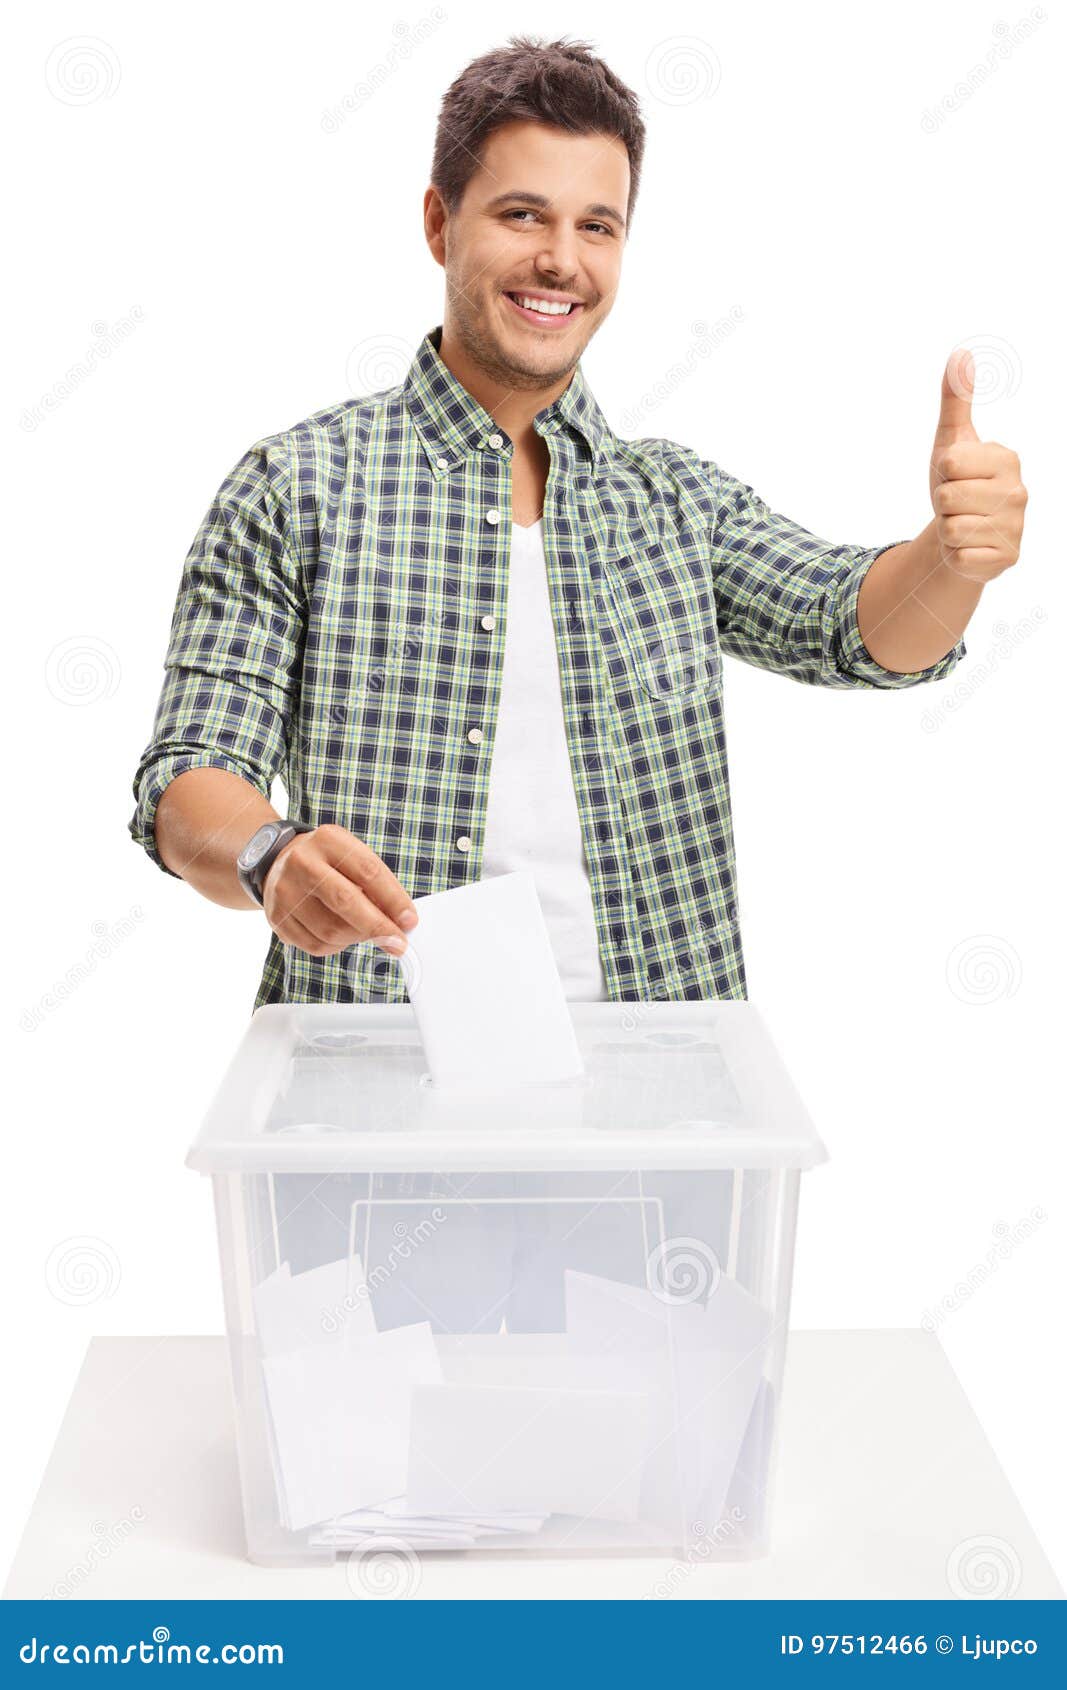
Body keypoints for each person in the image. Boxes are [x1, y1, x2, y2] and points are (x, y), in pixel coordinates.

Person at [128, 35, 1026, 1014]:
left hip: (661, 1084)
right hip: (373, 1075)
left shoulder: (674, 502)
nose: (560, 260)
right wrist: (271, 854)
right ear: (438, 223)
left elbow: (848, 625)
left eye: (596, 226)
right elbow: (188, 777)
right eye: (522, 215)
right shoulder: (294, 488)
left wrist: (950, 558)